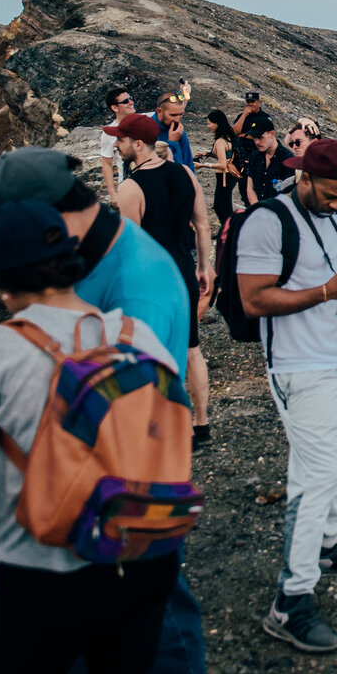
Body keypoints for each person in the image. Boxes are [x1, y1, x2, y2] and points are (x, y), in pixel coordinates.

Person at [0, 148, 206, 674]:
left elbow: (134, 413)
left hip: (119, 501)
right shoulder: (97, 254)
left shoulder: (137, 289)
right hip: (97, 496)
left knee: (155, 650)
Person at [236, 139, 337, 653]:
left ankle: (329, 544)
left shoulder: (334, 216)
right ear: (304, 178)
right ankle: (290, 602)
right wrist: (326, 293)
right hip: (300, 368)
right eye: (333, 194)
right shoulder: (266, 222)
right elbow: (254, 300)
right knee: (314, 476)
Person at [108, 114, 215, 451]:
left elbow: (131, 249)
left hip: (153, 281)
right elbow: (203, 224)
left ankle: (175, 429)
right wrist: (204, 267)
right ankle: (201, 426)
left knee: (158, 354)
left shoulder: (130, 188)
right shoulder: (184, 173)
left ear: (138, 144)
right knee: (192, 349)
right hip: (184, 269)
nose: (116, 144)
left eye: (121, 140)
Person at [199, 110, 240, 226]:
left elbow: (222, 164)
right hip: (228, 177)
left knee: (224, 207)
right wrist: (207, 154)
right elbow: (225, 155)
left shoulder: (220, 141)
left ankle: (230, 232)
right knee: (219, 206)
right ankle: (228, 230)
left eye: (209, 123)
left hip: (224, 177)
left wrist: (202, 165)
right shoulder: (228, 137)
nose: (208, 126)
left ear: (216, 124)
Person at [242, 116, 292, 206]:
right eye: (254, 138)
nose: (257, 142)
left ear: (272, 134)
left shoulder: (287, 159)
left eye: (261, 137)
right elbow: (250, 187)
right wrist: (258, 209)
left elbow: (289, 194)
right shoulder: (254, 156)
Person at [98, 87, 135, 204]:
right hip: (127, 188)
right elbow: (106, 164)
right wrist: (113, 195)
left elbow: (168, 112)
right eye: (125, 101)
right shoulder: (108, 133)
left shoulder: (145, 122)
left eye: (131, 99)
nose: (131, 102)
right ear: (114, 108)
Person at [233, 91, 272, 182]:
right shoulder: (241, 116)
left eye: (253, 102)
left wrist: (243, 135)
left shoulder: (264, 117)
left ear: (259, 102)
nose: (250, 104)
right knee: (243, 184)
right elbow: (234, 133)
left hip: (257, 153)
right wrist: (244, 115)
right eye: (248, 102)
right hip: (242, 155)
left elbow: (263, 136)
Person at [154, 92, 195, 168]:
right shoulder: (147, 129)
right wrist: (173, 142)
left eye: (181, 114)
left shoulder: (179, 130)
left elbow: (188, 162)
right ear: (159, 111)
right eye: (173, 115)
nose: (177, 119)